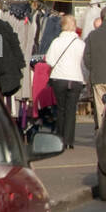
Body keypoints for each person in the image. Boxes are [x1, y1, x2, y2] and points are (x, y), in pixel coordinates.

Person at [45, 15, 85, 150]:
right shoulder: (80, 43)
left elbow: (49, 60)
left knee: (61, 109)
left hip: (59, 78)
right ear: (74, 26)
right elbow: (84, 63)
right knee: (71, 110)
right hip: (76, 79)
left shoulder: (56, 42)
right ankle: (70, 140)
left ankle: (60, 139)